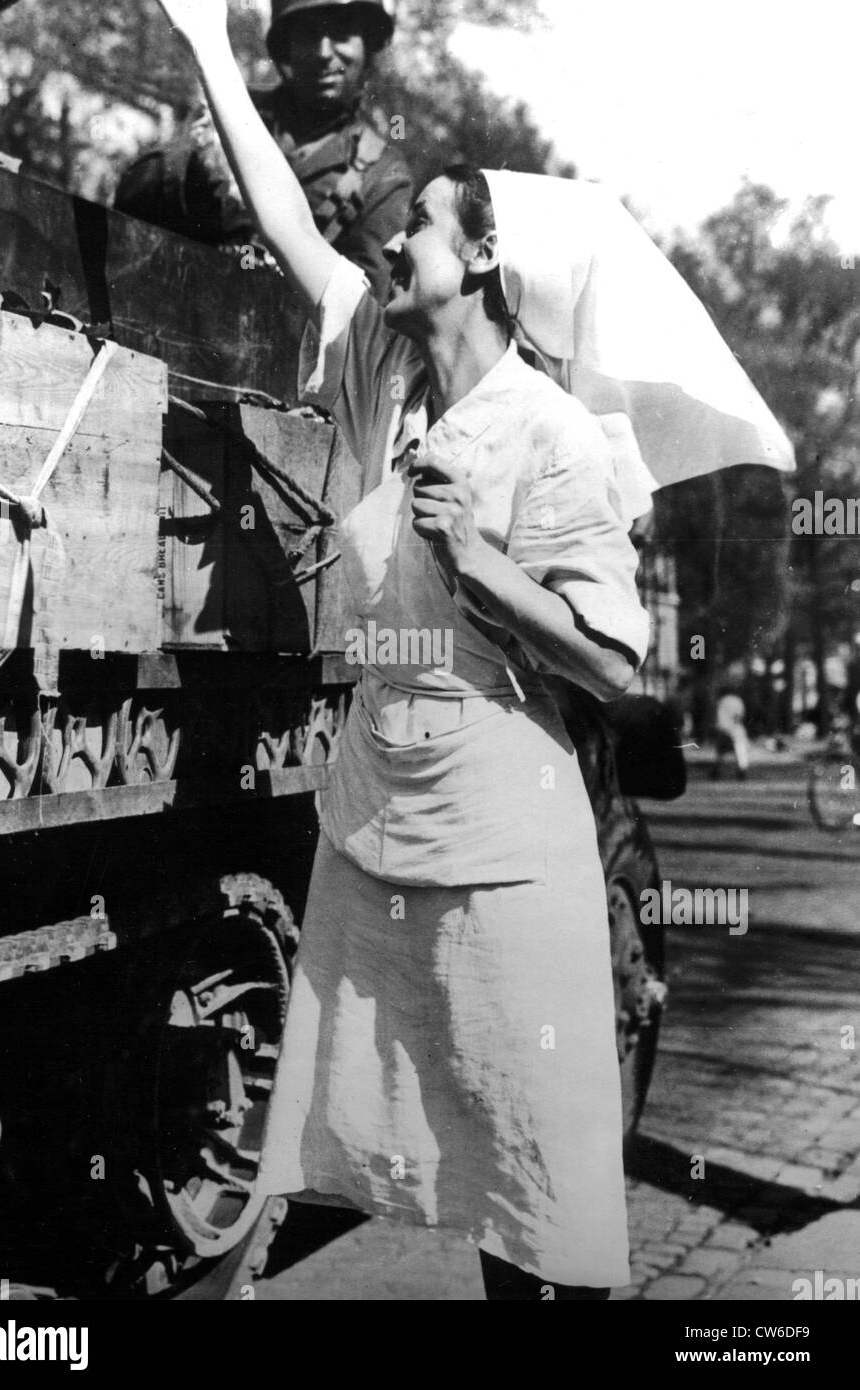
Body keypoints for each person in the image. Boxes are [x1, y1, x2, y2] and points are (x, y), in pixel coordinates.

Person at [152, 0, 794, 1301]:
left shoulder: (549, 433)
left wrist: (486, 565)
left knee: (525, 1205)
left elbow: (613, 662)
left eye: (414, 229)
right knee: (422, 1169)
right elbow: (285, 222)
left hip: (505, 857)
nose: (387, 239)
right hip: (383, 826)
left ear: (479, 252)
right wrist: (206, 45)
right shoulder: (378, 371)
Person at [116, 0, 412, 301]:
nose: (324, 53)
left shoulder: (384, 172)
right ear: (287, 47)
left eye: (340, 33)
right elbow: (132, 197)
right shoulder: (229, 107)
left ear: (367, 45)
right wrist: (198, 170)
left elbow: (368, 308)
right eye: (309, 34)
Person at [712, 688, 750, 780]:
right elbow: (739, 716)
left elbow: (717, 716)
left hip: (723, 729)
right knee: (740, 749)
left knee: (721, 751)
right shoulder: (737, 700)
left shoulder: (721, 701)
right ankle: (742, 769)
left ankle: (716, 770)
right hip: (734, 728)